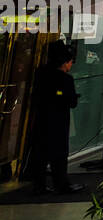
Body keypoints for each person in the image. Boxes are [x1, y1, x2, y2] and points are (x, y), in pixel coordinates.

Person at [29, 43, 83, 195]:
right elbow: (72, 102)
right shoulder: (66, 79)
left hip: (41, 120)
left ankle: (39, 185)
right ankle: (61, 184)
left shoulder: (40, 73)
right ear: (65, 62)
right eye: (71, 62)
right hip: (58, 122)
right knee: (59, 155)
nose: (71, 65)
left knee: (40, 153)